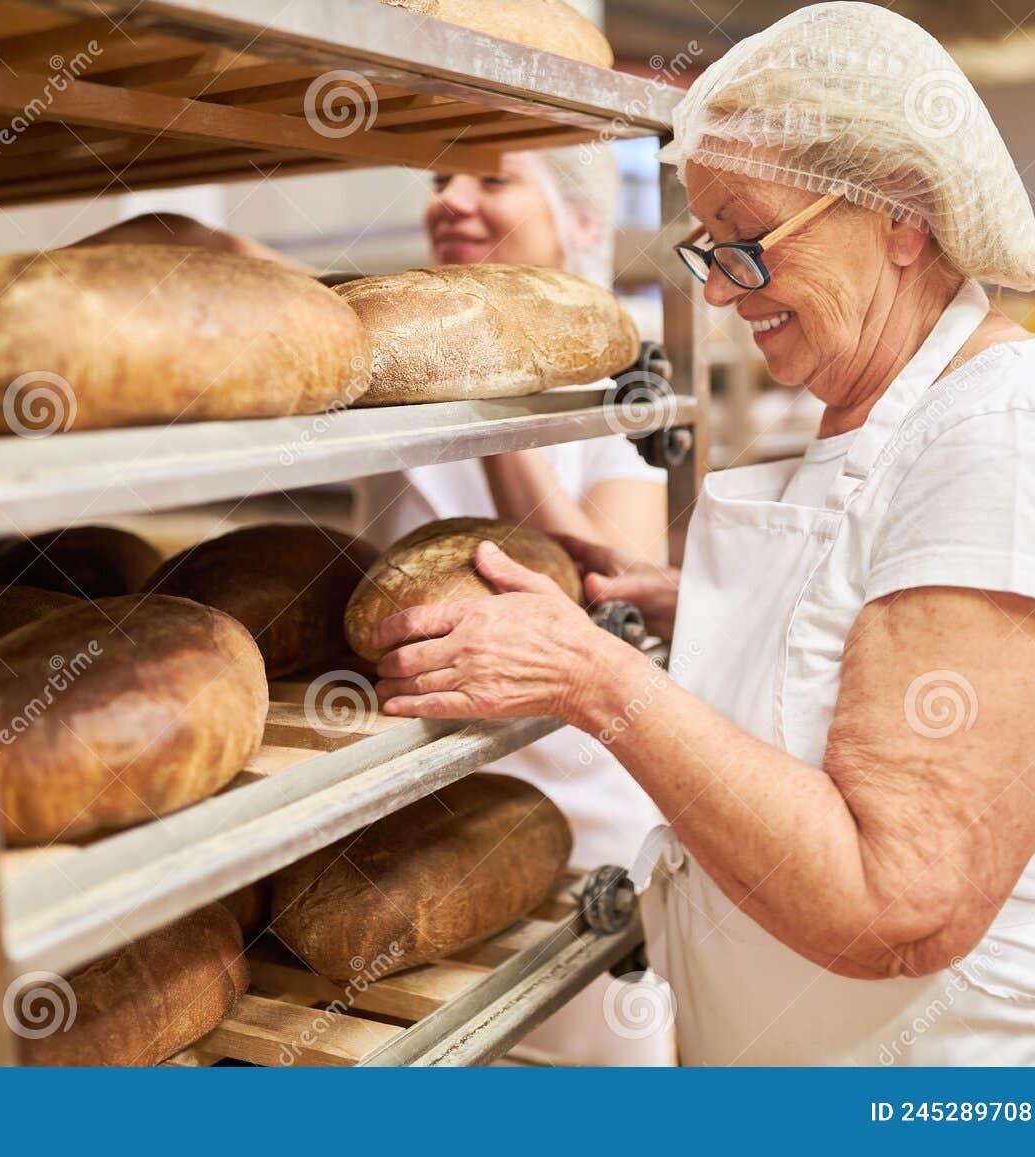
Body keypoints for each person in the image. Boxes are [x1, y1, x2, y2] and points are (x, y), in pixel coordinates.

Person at [366, 1, 1035, 1066]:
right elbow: (873, 641)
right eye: (708, 247)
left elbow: (897, 902)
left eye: (748, 239)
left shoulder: (1001, 442)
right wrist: (689, 603)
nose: (726, 287)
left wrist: (598, 680)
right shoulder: (881, 410)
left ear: (901, 213)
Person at [351, 145, 673, 1067]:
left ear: (575, 219)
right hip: (423, 817)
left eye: (491, 180)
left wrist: (502, 396)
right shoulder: (394, 362)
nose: (448, 200)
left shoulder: (625, 369)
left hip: (587, 820)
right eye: (439, 179)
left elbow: (610, 586)